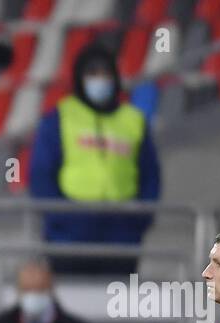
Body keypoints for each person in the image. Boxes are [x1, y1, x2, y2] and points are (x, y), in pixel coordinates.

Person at [29, 42, 160, 277]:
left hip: (122, 238)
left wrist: (138, 222)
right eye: (92, 73)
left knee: (115, 310)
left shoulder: (133, 121)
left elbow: (150, 177)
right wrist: (62, 219)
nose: (100, 80)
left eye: (105, 73)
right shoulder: (60, 117)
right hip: (69, 239)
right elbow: (41, 175)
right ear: (80, 77)